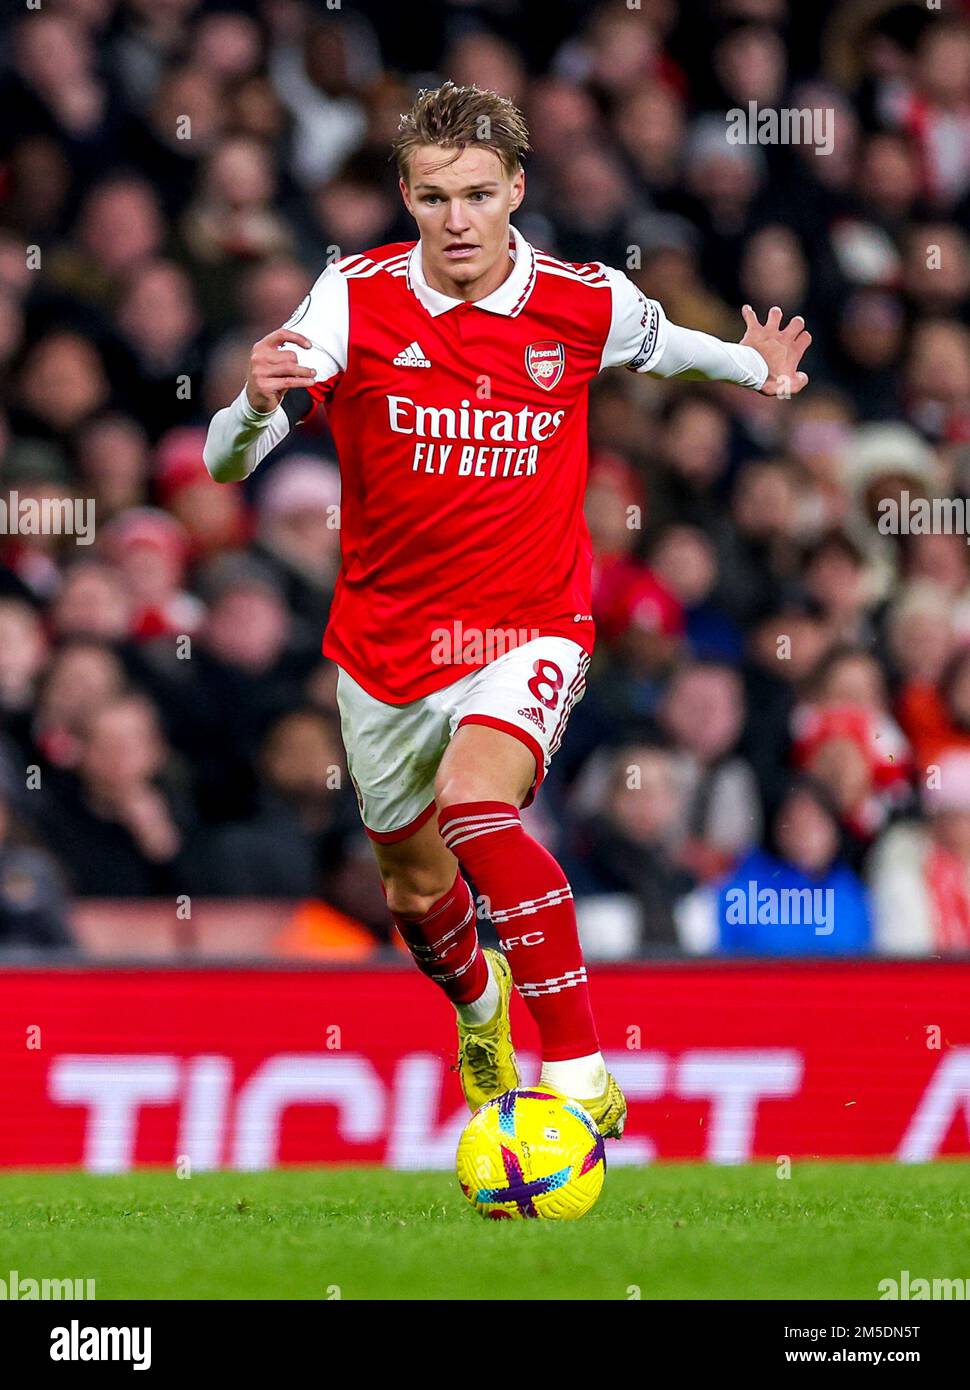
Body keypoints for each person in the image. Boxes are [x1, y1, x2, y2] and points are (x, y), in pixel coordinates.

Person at [203, 82, 811, 1140]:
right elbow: (224, 463)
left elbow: (668, 342)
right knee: (411, 885)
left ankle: (577, 1072)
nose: (457, 221)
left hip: (527, 625)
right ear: (404, 194)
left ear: (516, 189)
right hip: (384, 644)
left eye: (478, 195)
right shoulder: (351, 299)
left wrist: (754, 368)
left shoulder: (583, 301)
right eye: (434, 198)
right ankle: (479, 1007)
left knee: (481, 806)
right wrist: (253, 407)